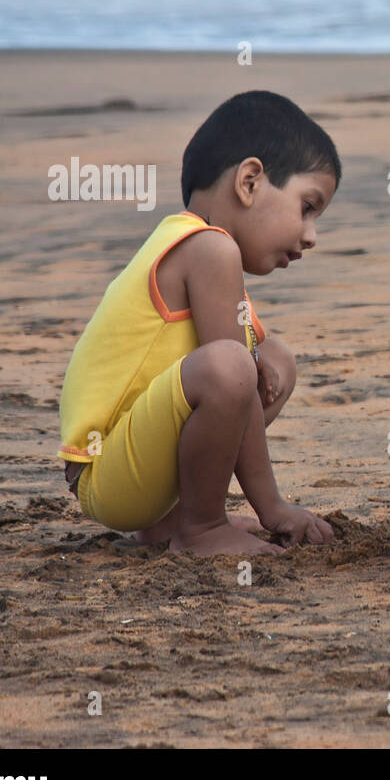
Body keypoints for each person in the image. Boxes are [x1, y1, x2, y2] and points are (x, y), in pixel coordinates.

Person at [57, 91, 339, 556]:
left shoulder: (201, 249)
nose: (311, 235)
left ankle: (173, 520)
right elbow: (231, 375)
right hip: (108, 474)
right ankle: (203, 528)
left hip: (135, 472)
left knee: (274, 360)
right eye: (307, 207)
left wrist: (252, 363)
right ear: (249, 182)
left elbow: (251, 375)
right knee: (231, 367)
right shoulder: (209, 248)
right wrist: (273, 509)